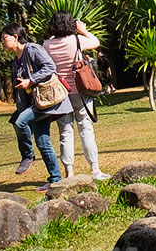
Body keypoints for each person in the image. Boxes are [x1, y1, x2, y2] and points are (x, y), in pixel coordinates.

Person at [0, 22, 70, 188]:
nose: (1, 41)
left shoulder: (32, 49)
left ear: (15, 36)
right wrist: (20, 108)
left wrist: (30, 80)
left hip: (47, 100)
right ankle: (55, 179)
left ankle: (27, 156)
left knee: (20, 123)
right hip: (36, 103)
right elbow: (21, 90)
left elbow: (50, 67)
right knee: (43, 141)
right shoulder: (15, 62)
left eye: (3, 37)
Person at [41, 12, 109, 181]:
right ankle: (95, 169)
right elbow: (96, 42)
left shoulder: (46, 44)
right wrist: (82, 30)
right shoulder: (76, 40)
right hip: (80, 91)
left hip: (60, 94)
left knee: (65, 132)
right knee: (85, 128)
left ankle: (69, 172)